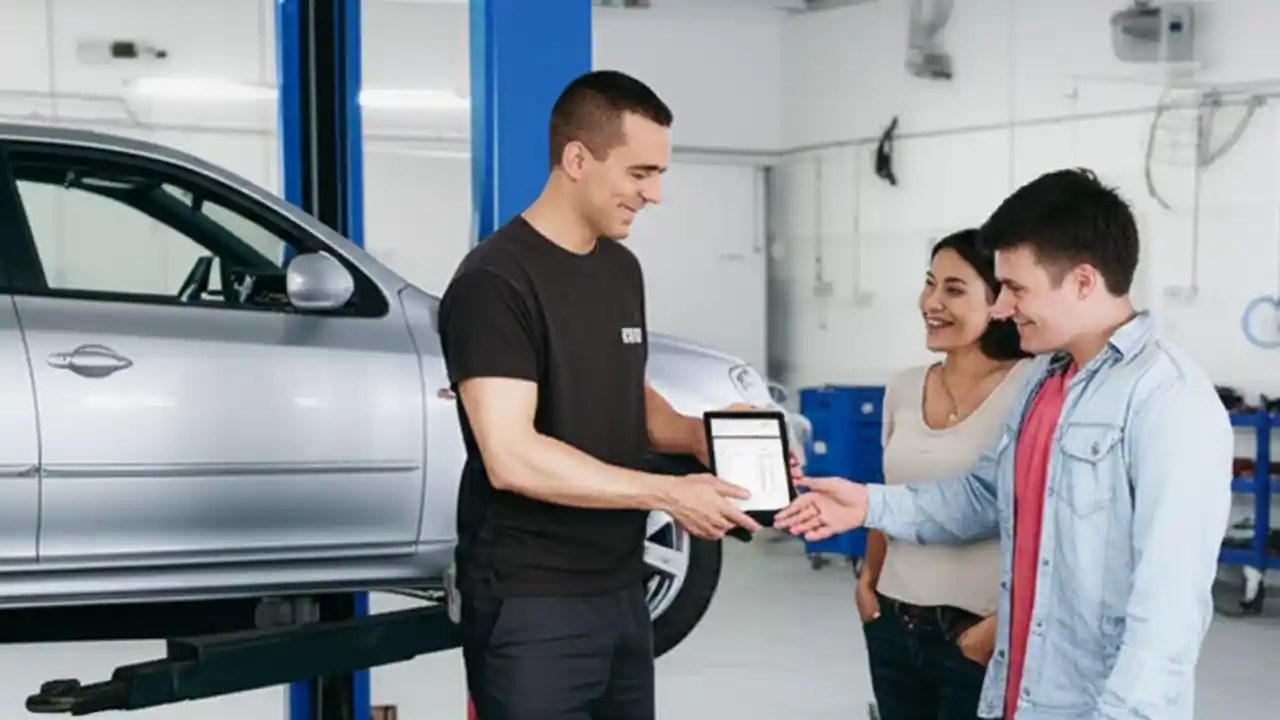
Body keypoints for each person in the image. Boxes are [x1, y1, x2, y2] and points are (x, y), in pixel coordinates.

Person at [776, 168, 1232, 720]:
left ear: (1083, 282)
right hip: (1015, 697)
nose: (1000, 308)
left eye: (1016, 288)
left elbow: (1169, 606)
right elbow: (984, 496)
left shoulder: (1166, 399)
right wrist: (869, 504)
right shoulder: (1044, 381)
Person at [436, 69, 761, 720]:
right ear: (577, 159)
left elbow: (625, 394)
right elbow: (512, 456)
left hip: (621, 590)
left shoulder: (619, 268)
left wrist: (701, 436)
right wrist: (669, 492)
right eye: (640, 173)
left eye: (659, 174)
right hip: (532, 604)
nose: (655, 194)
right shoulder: (494, 282)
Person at [859, 228, 1033, 719]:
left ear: (1000, 302)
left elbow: (1039, 521)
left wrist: (997, 629)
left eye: (954, 289)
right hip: (893, 621)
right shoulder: (903, 386)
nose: (930, 302)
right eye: (930, 283)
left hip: (976, 632)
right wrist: (868, 584)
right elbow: (890, 494)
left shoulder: (1030, 387)